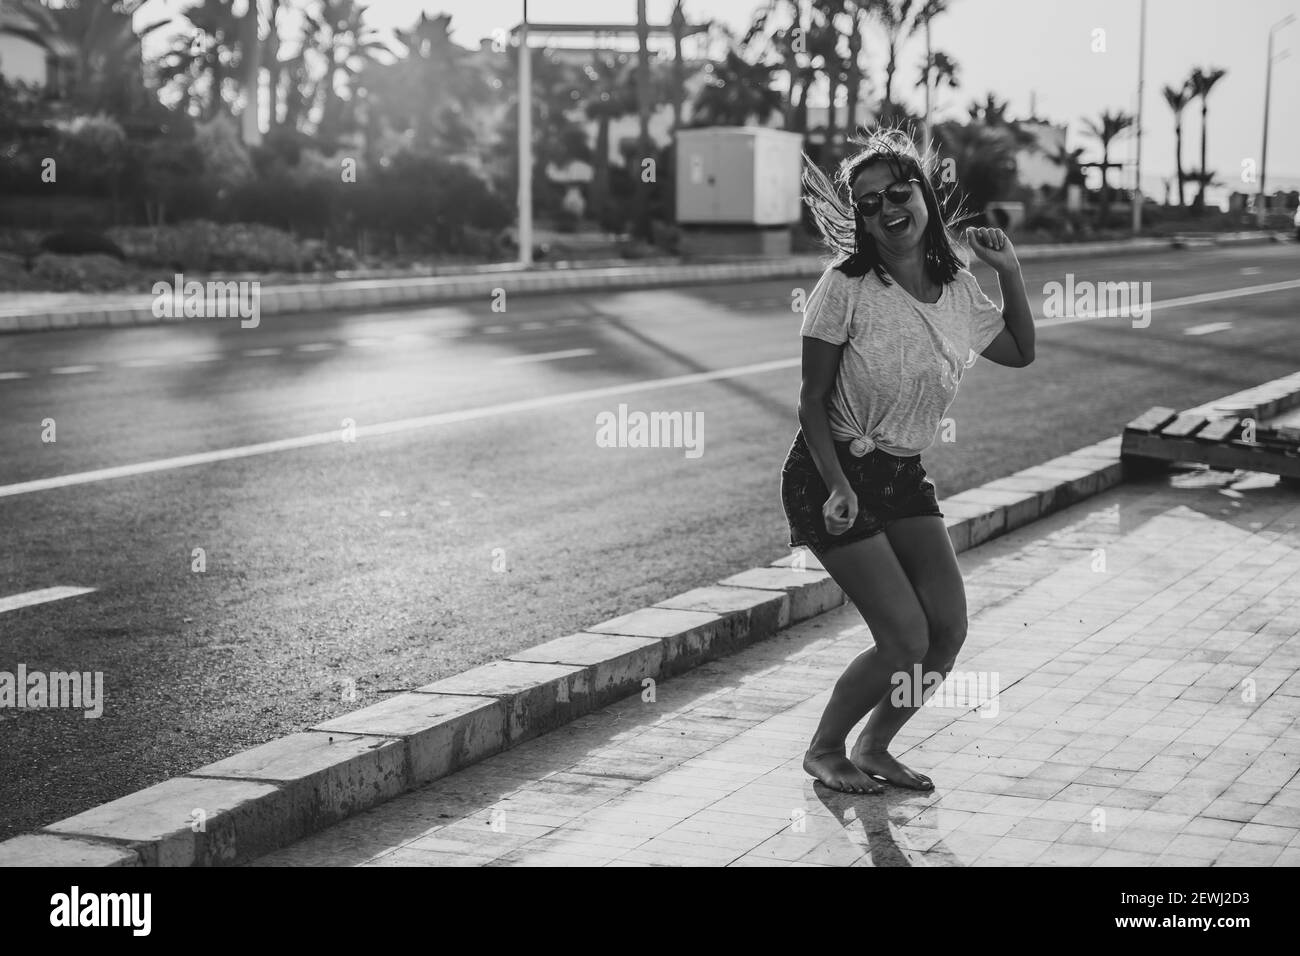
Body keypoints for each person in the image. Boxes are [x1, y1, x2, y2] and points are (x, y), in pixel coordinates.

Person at [781, 127, 1035, 794]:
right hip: (829, 472)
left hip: (901, 474)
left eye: (899, 191)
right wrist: (837, 484)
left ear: (923, 193)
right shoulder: (847, 283)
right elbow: (810, 401)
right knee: (903, 638)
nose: (887, 208)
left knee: (945, 630)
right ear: (859, 218)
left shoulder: (957, 290)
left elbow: (1019, 351)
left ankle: (875, 746)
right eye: (868, 202)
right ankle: (825, 749)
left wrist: (1009, 271)